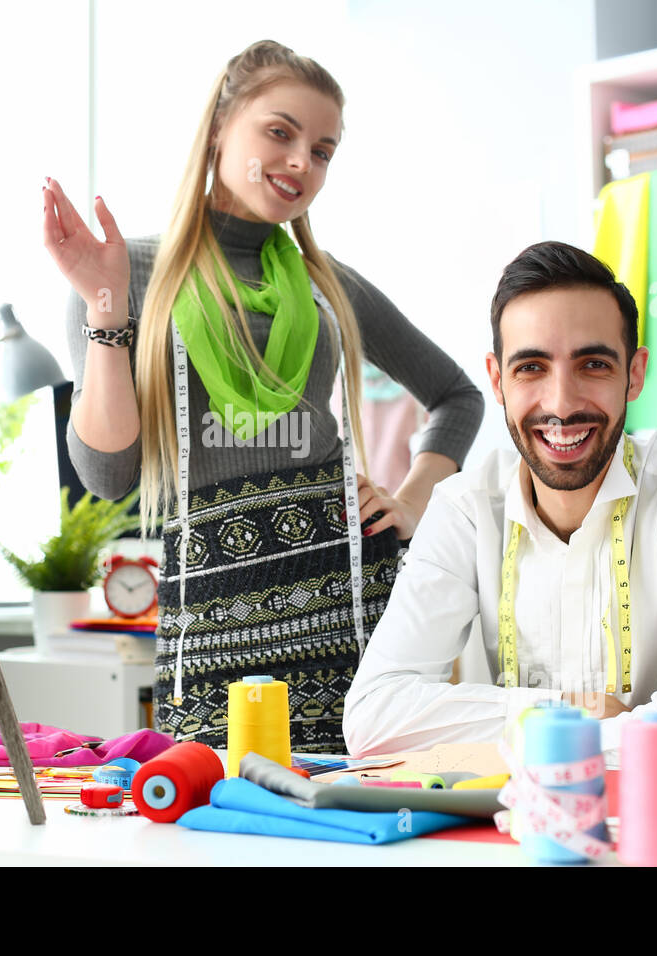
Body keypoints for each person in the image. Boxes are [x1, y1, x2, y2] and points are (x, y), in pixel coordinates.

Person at [41, 39, 482, 752]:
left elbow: (457, 397)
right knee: (216, 823)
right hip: (212, 622)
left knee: (367, 821)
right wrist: (103, 307)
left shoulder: (323, 281)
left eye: (324, 149)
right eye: (280, 132)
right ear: (220, 128)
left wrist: (410, 498)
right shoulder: (128, 274)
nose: (303, 162)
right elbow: (107, 474)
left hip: (353, 599)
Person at [343, 241, 657, 770]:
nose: (561, 403)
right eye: (532, 367)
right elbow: (373, 720)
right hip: (519, 835)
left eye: (594, 364)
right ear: (497, 381)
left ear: (634, 374)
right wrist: (568, 715)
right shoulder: (465, 507)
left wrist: (512, 732)